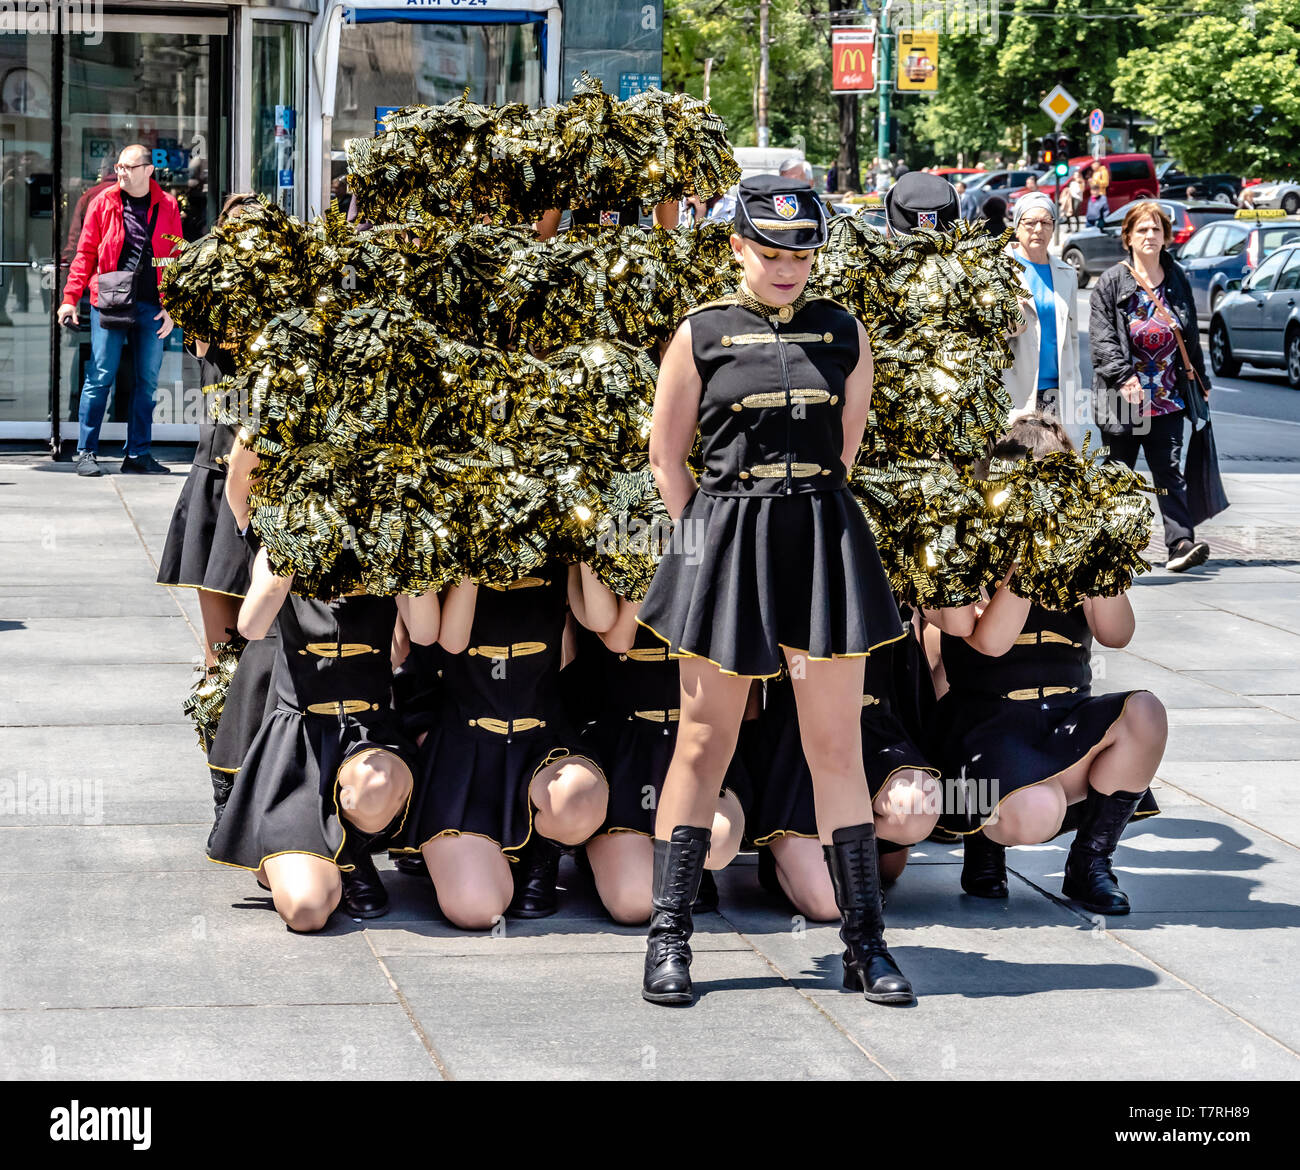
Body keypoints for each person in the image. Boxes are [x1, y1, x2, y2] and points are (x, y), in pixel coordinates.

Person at [634, 175, 915, 1008]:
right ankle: (669, 938)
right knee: (700, 744)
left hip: (820, 540)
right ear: (736, 248)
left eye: (801, 253)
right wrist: (706, 550)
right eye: (770, 252)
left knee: (837, 747)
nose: (787, 267)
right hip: (725, 540)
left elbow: (848, 446)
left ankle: (865, 944)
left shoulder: (844, 332)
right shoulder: (700, 333)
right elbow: (666, 457)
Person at [932, 413, 1164, 913]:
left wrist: (1097, 553)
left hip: (1062, 719)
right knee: (1037, 815)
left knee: (1145, 712)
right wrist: (1028, 555)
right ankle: (984, 842)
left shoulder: (1076, 542)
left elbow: (1116, 634)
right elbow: (990, 642)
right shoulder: (965, 540)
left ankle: (1091, 863)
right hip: (987, 725)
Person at [207, 550, 441, 930]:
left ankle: (352, 854)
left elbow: (426, 634)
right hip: (297, 746)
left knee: (376, 784)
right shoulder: (287, 533)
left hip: (369, 734)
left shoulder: (390, 535)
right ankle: (316, 857)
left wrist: (405, 547)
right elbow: (251, 626)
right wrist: (288, 547)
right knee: (306, 912)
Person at [390, 563, 613, 928]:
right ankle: (464, 856)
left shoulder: (559, 535)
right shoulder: (439, 533)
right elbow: (433, 642)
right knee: (477, 911)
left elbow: (600, 627)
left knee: (577, 797)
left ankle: (543, 853)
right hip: (462, 749)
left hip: (543, 739)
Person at [567, 596, 749, 923]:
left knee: (717, 840)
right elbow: (617, 639)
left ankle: (687, 862)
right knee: (633, 905)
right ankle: (602, 854)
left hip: (695, 738)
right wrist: (644, 567)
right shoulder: (614, 544)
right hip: (624, 742)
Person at [156, 194, 262, 667]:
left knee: (264, 627)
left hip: (269, 462)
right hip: (220, 457)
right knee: (220, 641)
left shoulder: (286, 297)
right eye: (237, 233)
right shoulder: (210, 294)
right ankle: (217, 697)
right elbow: (201, 346)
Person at [1090, 200, 1212, 573]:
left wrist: (1202, 382)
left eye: (1156, 230)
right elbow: (1102, 338)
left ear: (1165, 237)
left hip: (1167, 399)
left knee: (1169, 471)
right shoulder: (1111, 282)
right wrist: (1124, 376)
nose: (1149, 236)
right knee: (1119, 475)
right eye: (1142, 229)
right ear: (1128, 236)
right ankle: (1111, 547)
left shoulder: (1176, 279)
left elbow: (1189, 335)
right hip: (1123, 399)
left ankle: (1180, 544)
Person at [57, 144, 182, 477]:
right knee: (100, 377)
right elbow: (85, 254)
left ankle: (138, 454)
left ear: (148, 170)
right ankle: (85, 451)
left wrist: (172, 306)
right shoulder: (104, 202)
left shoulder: (168, 205)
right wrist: (70, 297)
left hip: (152, 306)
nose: (121, 172)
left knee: (147, 383)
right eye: (119, 166)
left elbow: (175, 259)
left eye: (128, 167)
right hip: (109, 303)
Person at [1003, 192, 1083, 438]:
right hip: (1015, 390)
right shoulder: (1000, 268)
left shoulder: (1066, 273)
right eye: (1030, 222)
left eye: (1046, 222)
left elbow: (1072, 338)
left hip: (1056, 392)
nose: (1038, 229)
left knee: (1055, 469)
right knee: (1013, 468)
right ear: (1017, 227)